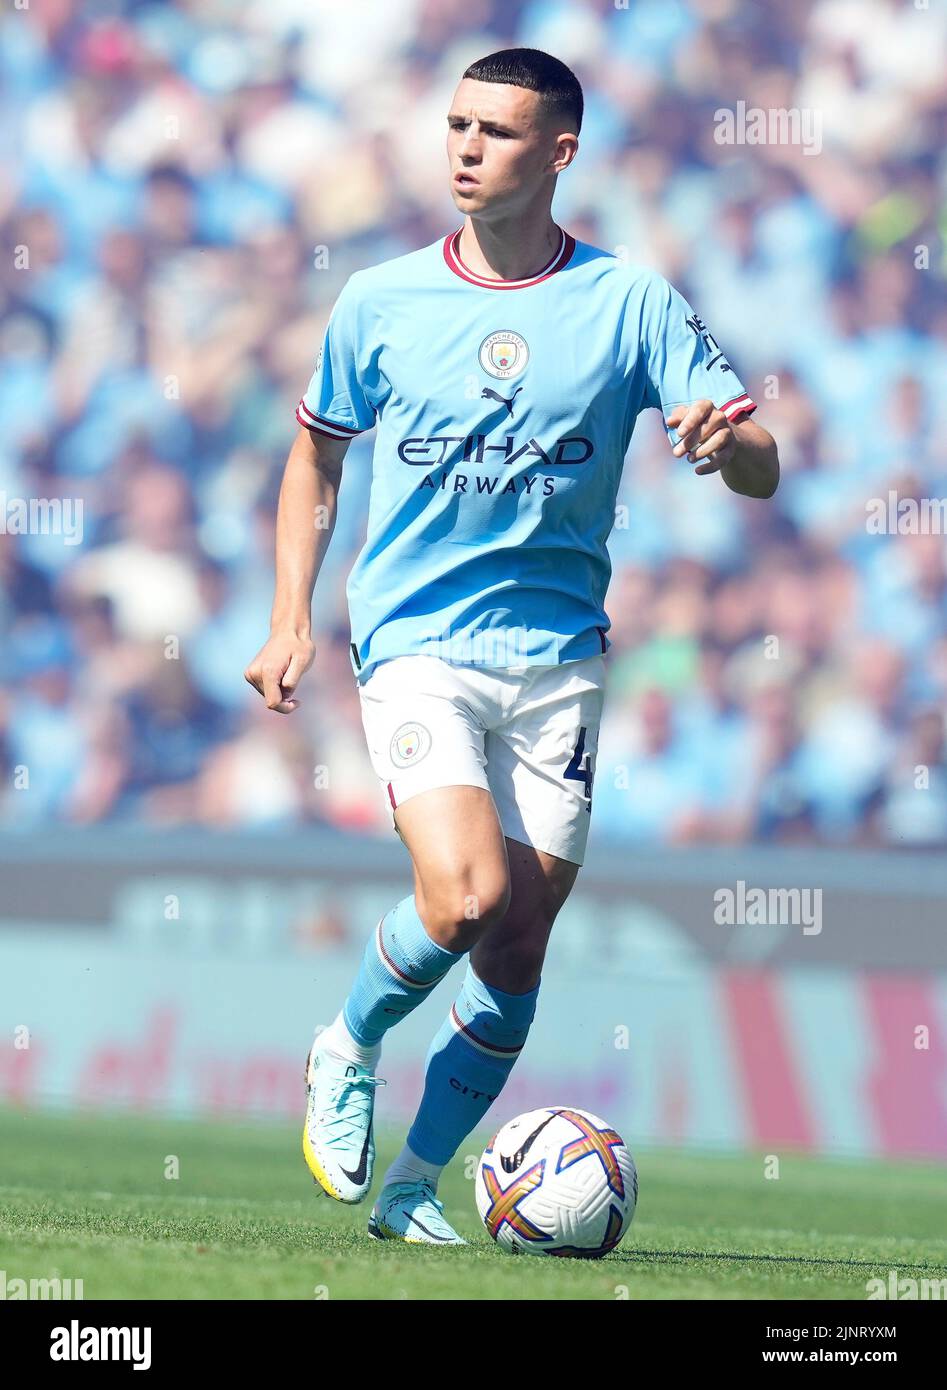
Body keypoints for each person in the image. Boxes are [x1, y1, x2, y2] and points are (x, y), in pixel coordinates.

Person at [244, 47, 779, 1246]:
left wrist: (720, 445)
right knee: (466, 891)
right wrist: (289, 617)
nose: (465, 148)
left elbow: (760, 464)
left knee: (519, 940)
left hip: (559, 657)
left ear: (559, 152)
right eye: (454, 125)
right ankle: (350, 1040)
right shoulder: (379, 299)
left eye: (493, 130)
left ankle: (411, 1187)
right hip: (417, 637)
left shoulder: (630, 300)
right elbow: (315, 456)